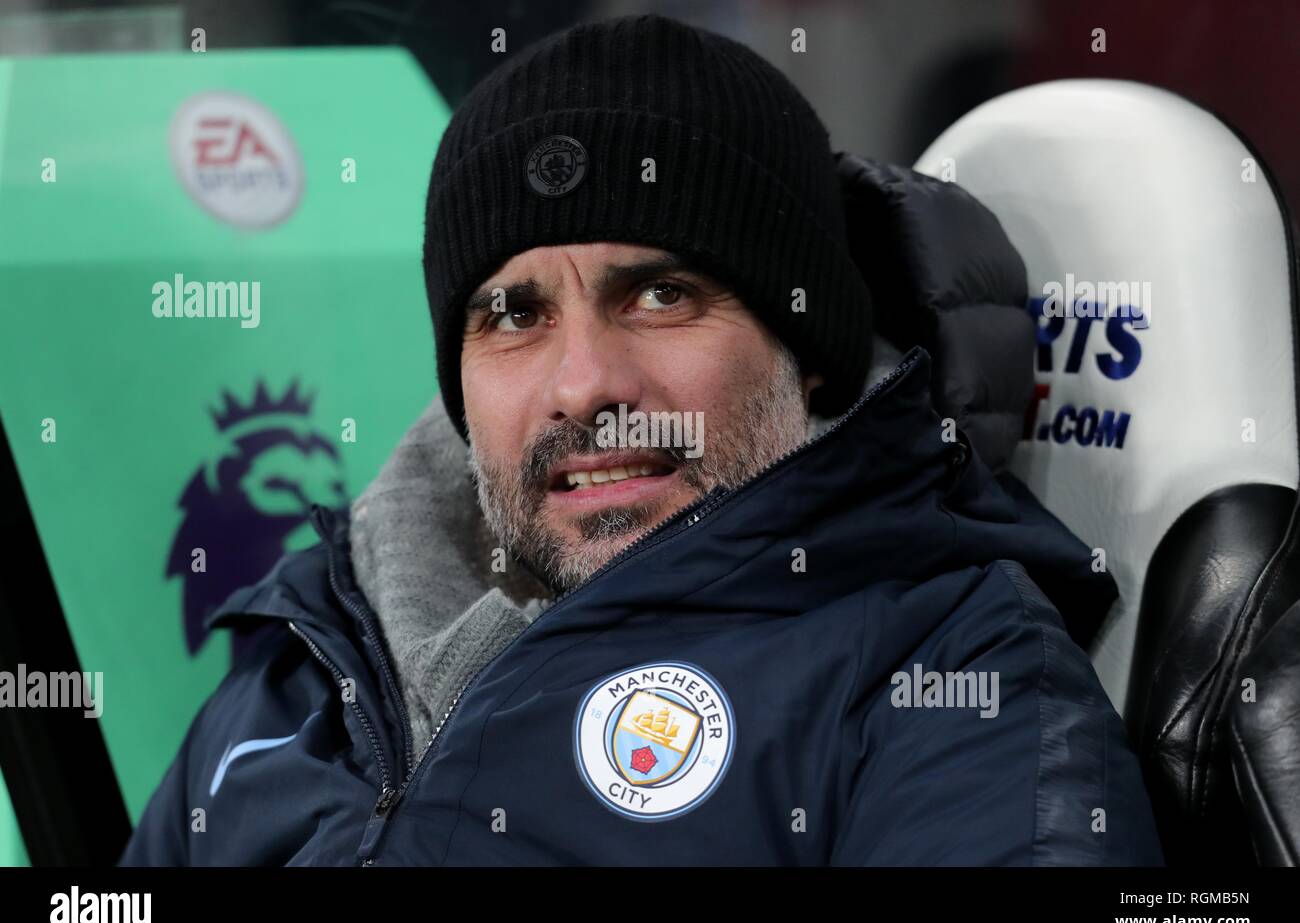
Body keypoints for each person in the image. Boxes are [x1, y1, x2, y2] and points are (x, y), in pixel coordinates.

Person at [121, 13, 1163, 865]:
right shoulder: (314, 649)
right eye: (514, 315)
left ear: (807, 351)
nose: (583, 385)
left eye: (662, 294)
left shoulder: (944, 675)